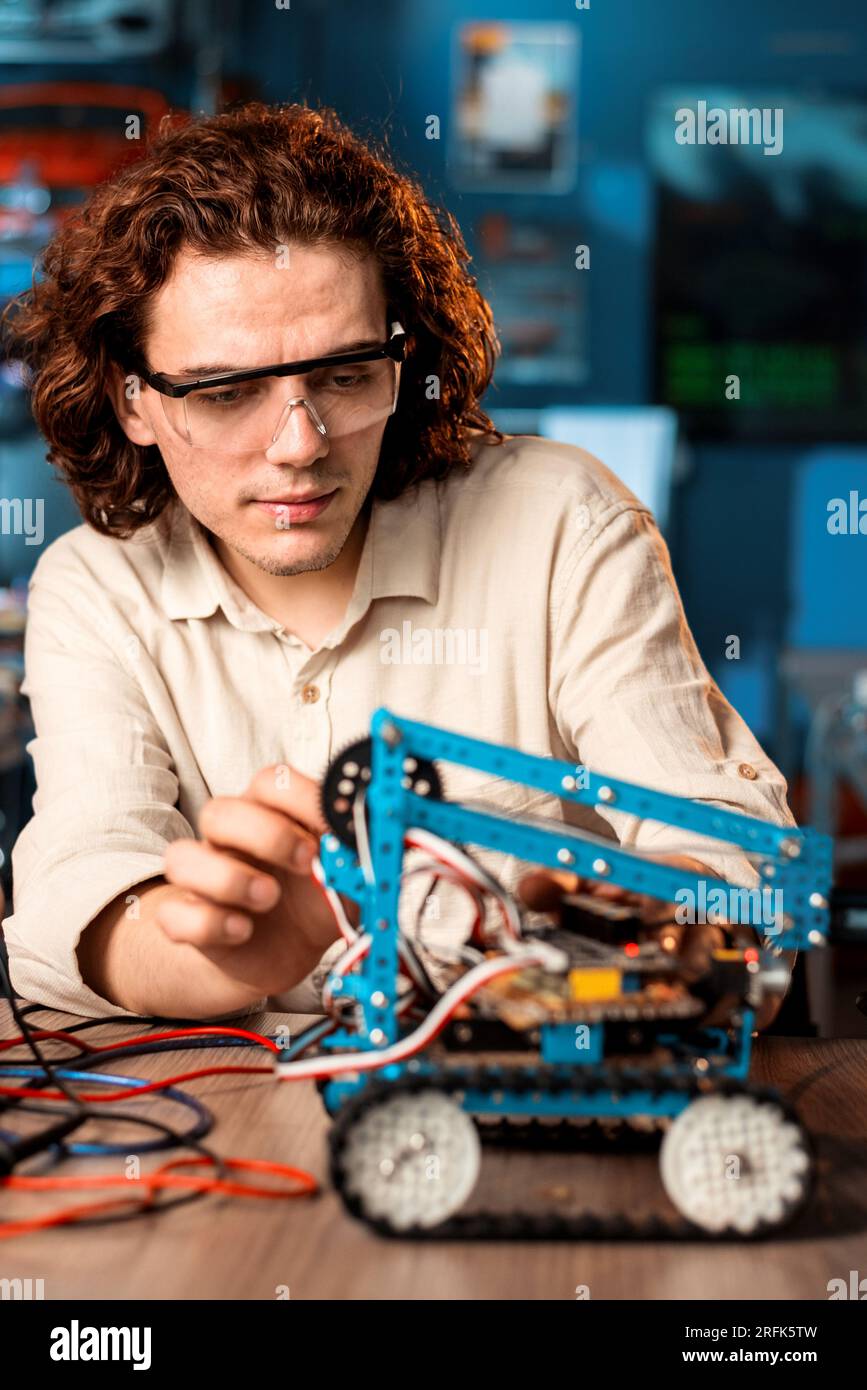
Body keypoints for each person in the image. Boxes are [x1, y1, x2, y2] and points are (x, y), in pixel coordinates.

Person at [0, 103, 794, 1026]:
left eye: (343, 377)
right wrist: (231, 956)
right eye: (225, 393)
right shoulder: (97, 589)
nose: (300, 445)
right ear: (132, 400)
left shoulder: (558, 524)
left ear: (402, 358)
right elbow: (77, 892)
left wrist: (622, 924)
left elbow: (736, 871)